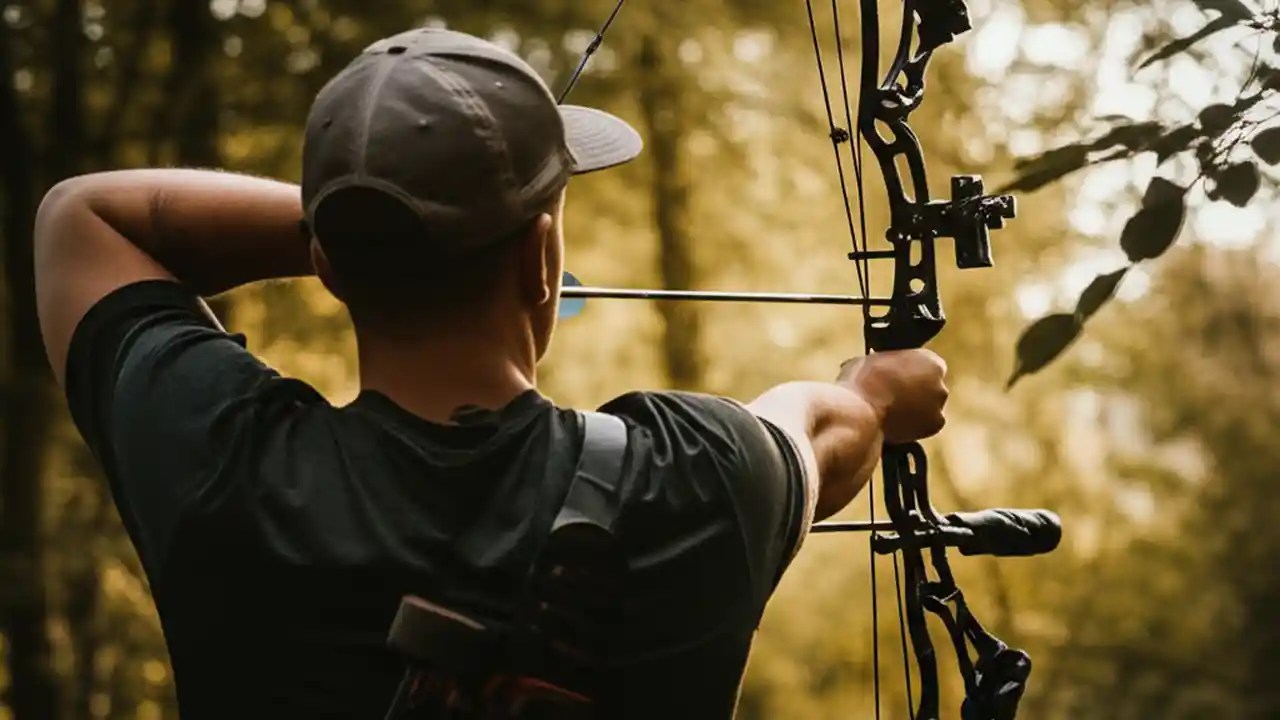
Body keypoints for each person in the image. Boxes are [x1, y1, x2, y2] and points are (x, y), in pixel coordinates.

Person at [33, 27, 948, 719]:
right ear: (541, 257)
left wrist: (361, 227)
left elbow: (83, 216)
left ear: (327, 265)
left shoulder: (219, 466)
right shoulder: (701, 478)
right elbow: (827, 423)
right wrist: (878, 392)